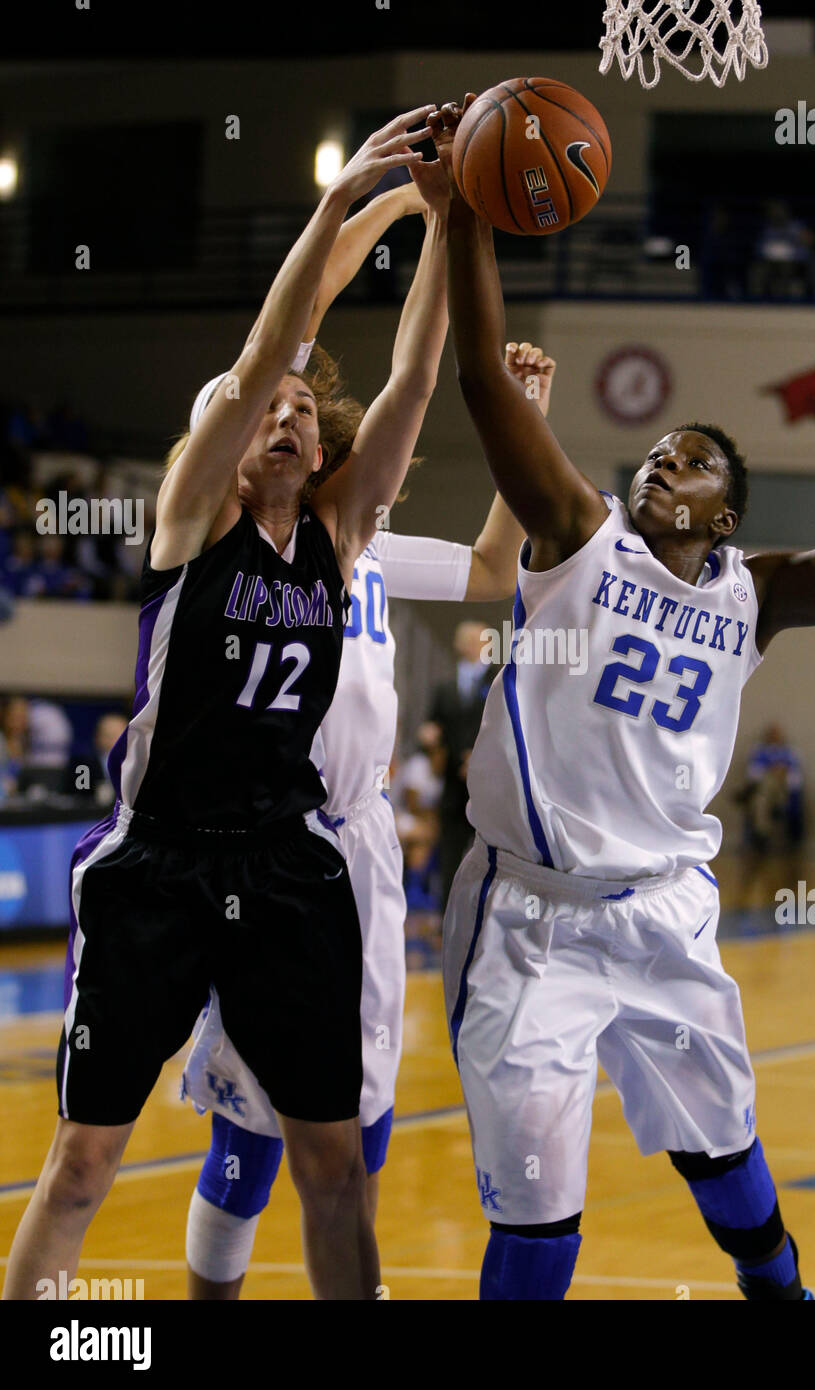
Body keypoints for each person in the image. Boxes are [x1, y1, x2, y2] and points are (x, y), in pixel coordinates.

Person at [431, 93, 815, 1302]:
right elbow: (482, 381)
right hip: (532, 920)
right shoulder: (577, 537)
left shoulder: (755, 591)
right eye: (655, 452)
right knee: (539, 1220)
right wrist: (470, 214)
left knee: (730, 1166)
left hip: (669, 909)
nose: (657, 463)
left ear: (722, 515)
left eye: (686, 461)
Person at [1, 103, 442, 1303]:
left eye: (306, 409)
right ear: (229, 437)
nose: (291, 412)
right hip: (159, 865)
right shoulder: (193, 526)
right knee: (85, 1158)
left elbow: (408, 381)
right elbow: (266, 357)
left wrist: (455, 227)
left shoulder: (342, 539)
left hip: (289, 869)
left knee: (335, 1164)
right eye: (269, 410)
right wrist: (341, 198)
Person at [179, 334, 553, 1298]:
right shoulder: (230, 548)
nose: (291, 432)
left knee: (366, 1095)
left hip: (364, 843)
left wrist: (528, 426)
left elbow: (488, 569)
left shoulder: (369, 546)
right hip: (263, 844)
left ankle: (355, 1282)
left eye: (307, 422)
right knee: (250, 1126)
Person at [428, 620, 499, 906]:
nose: (472, 645)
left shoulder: (499, 681)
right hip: (452, 785)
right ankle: (445, 918)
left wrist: (480, 757)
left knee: (490, 854)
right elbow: (433, 727)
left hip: (486, 784)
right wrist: (432, 741)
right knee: (450, 852)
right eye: (467, 640)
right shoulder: (444, 688)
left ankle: (485, 913)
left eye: (478, 639)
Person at [738, 723, 805, 854]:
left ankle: (778, 806)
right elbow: (752, 774)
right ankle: (762, 835)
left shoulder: (790, 754)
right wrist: (771, 770)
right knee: (759, 801)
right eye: (772, 734)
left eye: (777, 734)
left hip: (785, 791)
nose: (774, 737)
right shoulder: (759, 752)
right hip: (764, 790)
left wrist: (782, 773)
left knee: (771, 788)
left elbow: (797, 780)